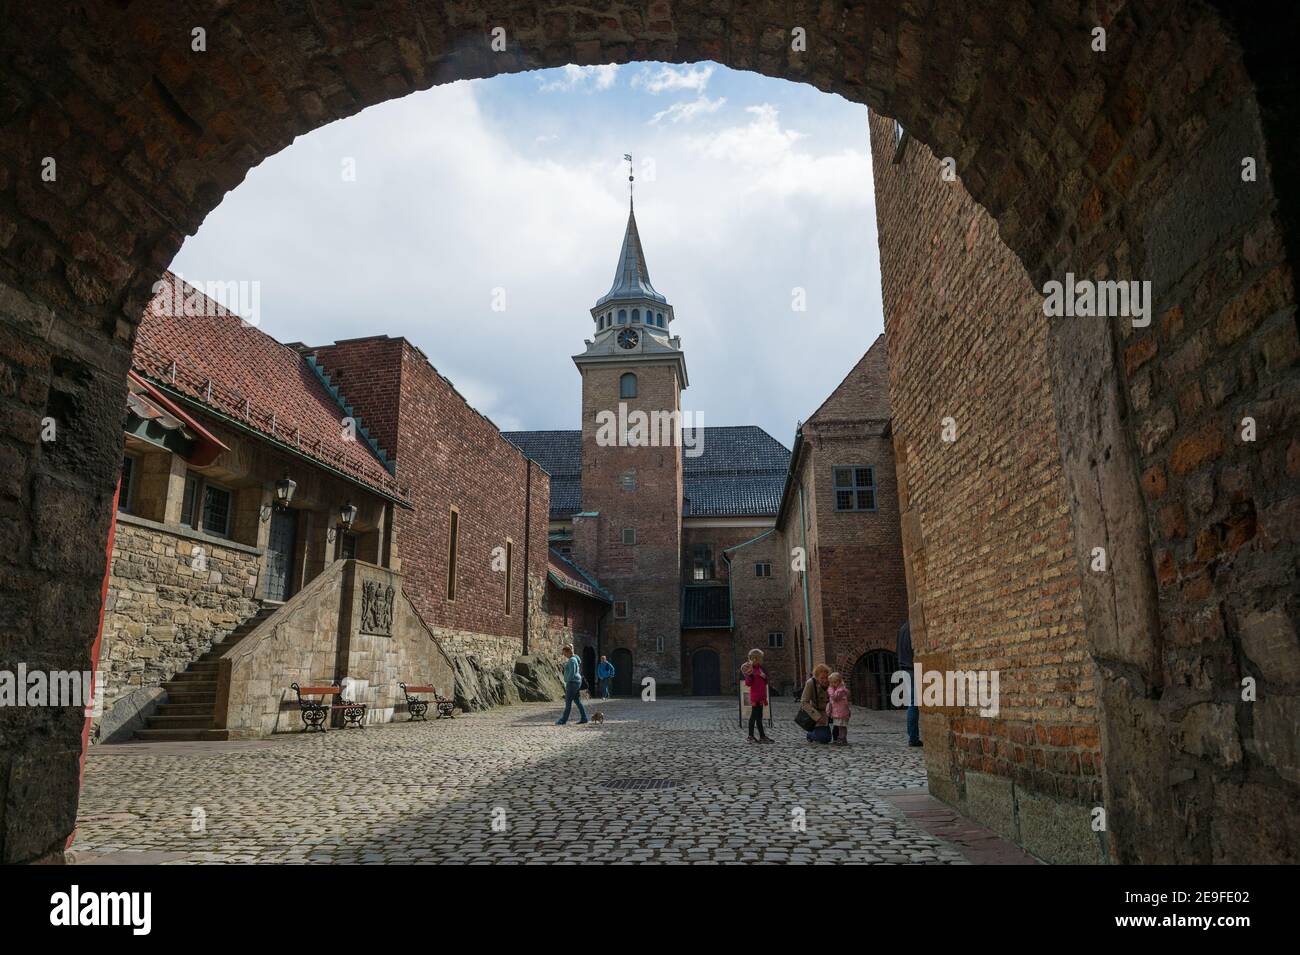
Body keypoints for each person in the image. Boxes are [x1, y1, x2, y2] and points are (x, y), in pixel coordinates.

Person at [739, 648, 773, 744]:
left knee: (759, 717)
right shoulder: (750, 669)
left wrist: (764, 676)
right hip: (755, 696)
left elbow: (766, 681)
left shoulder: (761, 669)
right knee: (753, 716)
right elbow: (748, 683)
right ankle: (750, 736)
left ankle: (762, 736)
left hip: (762, 695)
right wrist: (749, 676)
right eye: (760, 658)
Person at [898, 619, 921, 747]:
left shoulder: (902, 628)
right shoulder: (914, 627)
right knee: (914, 703)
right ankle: (913, 737)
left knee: (911, 703)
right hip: (912, 668)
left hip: (904, 667)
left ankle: (912, 735)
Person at [555, 644, 588, 725]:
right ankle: (584, 718)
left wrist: (566, 680)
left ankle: (563, 720)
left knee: (568, 702)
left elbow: (572, 673)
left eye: (564, 653)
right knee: (577, 701)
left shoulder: (572, 660)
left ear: (568, 652)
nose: (564, 655)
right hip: (575, 682)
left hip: (572, 683)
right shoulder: (574, 659)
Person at [800, 663, 832, 744]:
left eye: (826, 677)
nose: (825, 680)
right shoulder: (811, 683)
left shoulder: (832, 681)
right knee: (824, 738)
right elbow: (804, 702)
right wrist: (817, 717)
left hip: (832, 713)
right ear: (817, 677)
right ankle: (810, 734)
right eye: (822, 678)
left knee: (837, 735)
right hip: (818, 713)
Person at [827, 671, 851, 745]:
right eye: (831, 683)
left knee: (842, 726)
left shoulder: (840, 690)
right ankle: (841, 739)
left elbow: (835, 697)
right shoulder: (837, 689)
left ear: (839, 682)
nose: (832, 684)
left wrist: (833, 690)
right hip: (838, 711)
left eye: (834, 682)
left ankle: (842, 739)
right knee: (840, 726)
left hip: (842, 711)